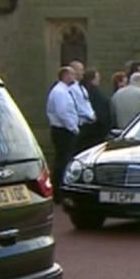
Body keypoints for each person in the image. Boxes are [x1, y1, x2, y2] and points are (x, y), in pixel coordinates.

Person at [46, 66, 80, 203]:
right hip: (63, 131)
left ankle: (59, 191)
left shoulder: (64, 90)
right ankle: (58, 192)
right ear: (65, 75)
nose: (75, 77)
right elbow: (63, 113)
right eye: (72, 74)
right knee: (63, 161)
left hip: (64, 130)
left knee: (63, 160)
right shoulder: (60, 92)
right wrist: (73, 127)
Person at [77, 69, 112, 151]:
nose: (99, 80)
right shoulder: (95, 93)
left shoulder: (80, 90)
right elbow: (102, 111)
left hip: (82, 131)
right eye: (97, 78)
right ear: (92, 79)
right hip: (95, 132)